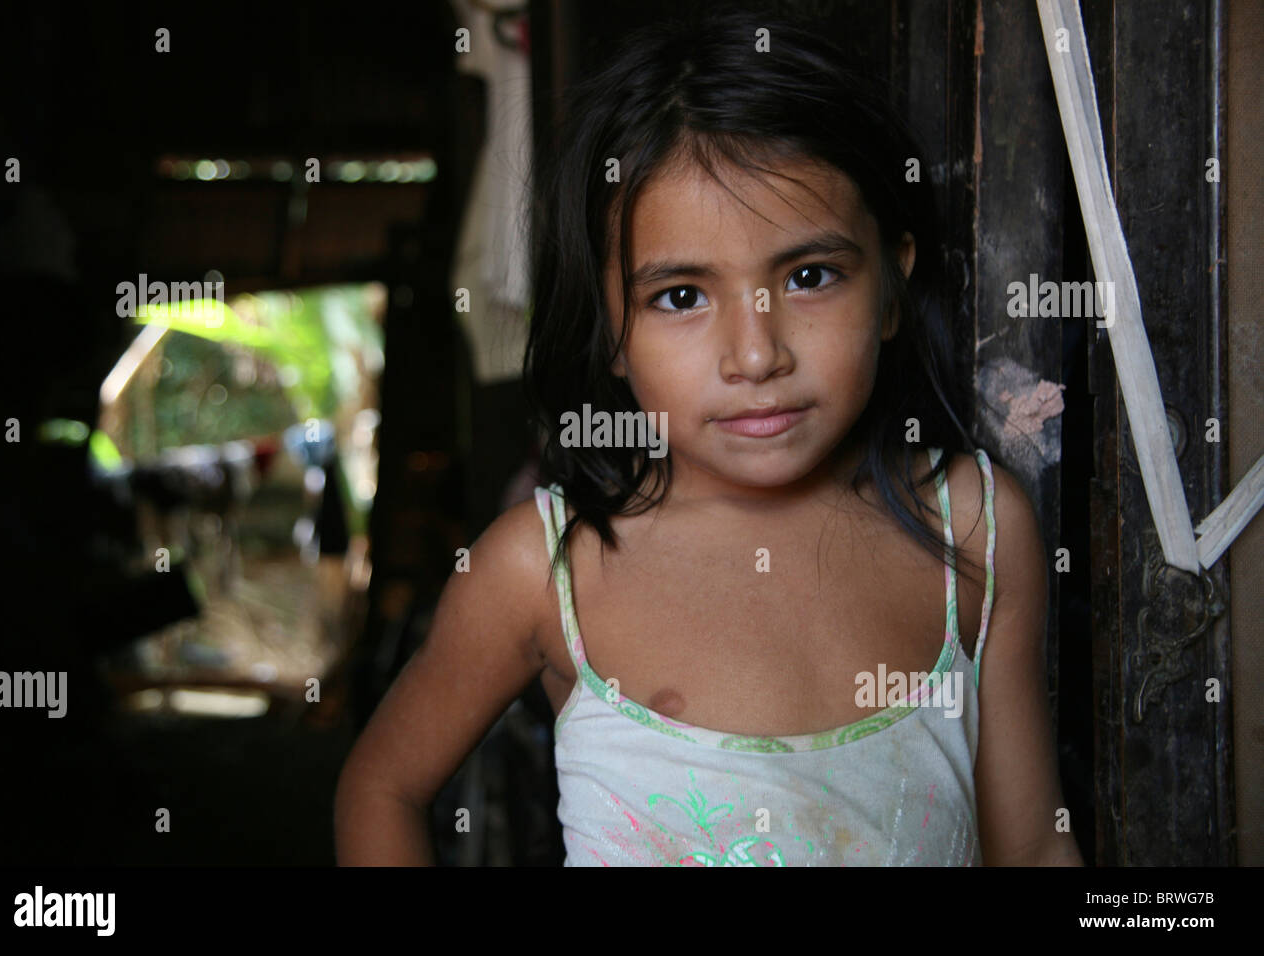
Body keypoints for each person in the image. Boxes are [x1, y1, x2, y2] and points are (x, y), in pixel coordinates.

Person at [334, 7, 1085, 866]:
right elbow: (381, 787)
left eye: (810, 276)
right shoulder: (546, 570)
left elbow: (1030, 850)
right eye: (681, 296)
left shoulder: (976, 530)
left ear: (890, 287)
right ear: (611, 328)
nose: (756, 354)